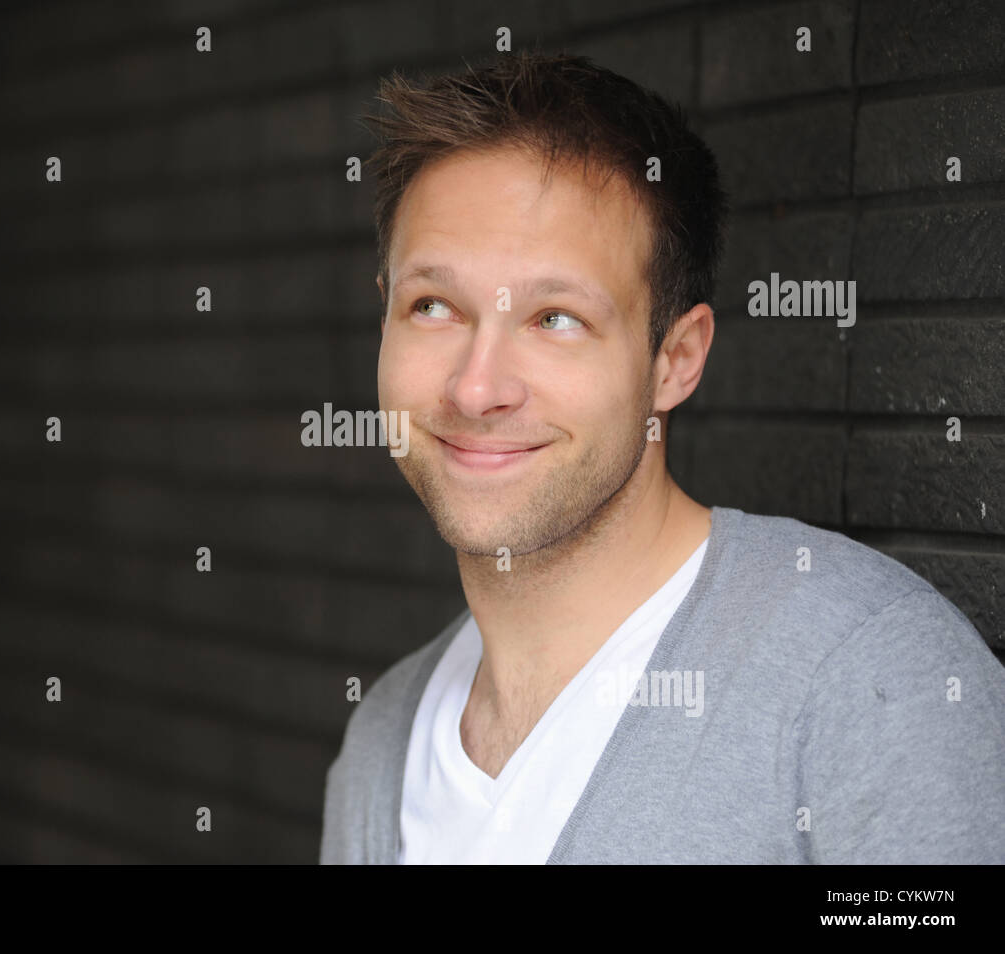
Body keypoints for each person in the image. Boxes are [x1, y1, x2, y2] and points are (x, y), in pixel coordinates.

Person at [319, 50, 1005, 864]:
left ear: (675, 361)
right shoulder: (381, 742)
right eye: (433, 306)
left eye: (556, 318)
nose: (477, 390)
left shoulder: (868, 684)